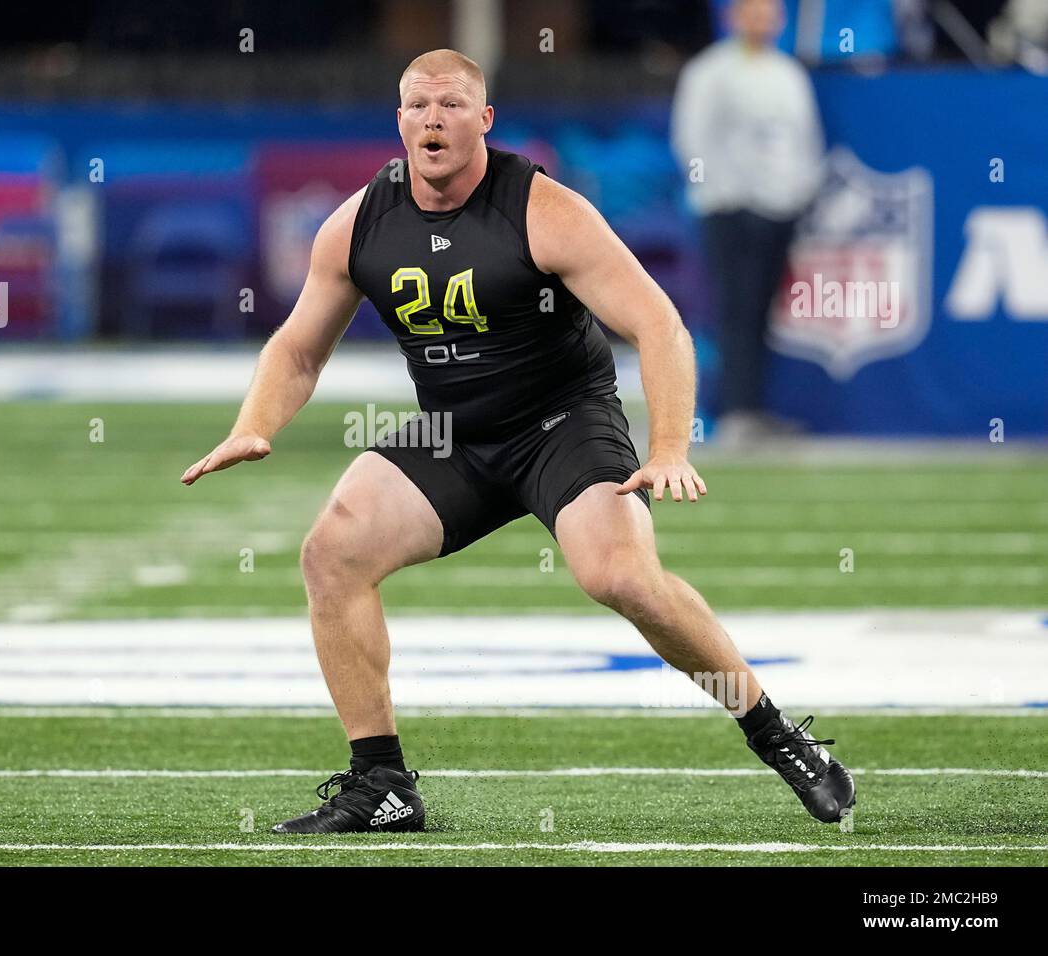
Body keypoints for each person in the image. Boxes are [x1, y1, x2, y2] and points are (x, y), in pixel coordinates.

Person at [183, 49, 853, 833]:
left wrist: (670, 447)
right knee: (332, 553)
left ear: (484, 119)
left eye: (452, 105)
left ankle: (776, 733)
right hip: (457, 434)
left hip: (560, 423)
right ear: (399, 119)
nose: (433, 119)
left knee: (622, 578)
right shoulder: (359, 221)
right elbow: (299, 349)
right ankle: (383, 786)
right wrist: (253, 425)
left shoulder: (543, 208)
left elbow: (658, 325)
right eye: (418, 105)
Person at [672, 0, 825, 445]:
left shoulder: (788, 73)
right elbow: (693, 139)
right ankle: (732, 412)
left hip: (780, 210)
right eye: (753, 11)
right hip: (730, 210)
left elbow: (805, 140)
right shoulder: (709, 72)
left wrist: (797, 194)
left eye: (770, 11)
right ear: (733, 17)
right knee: (733, 309)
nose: (762, 20)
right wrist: (727, 195)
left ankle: (753, 407)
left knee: (761, 311)